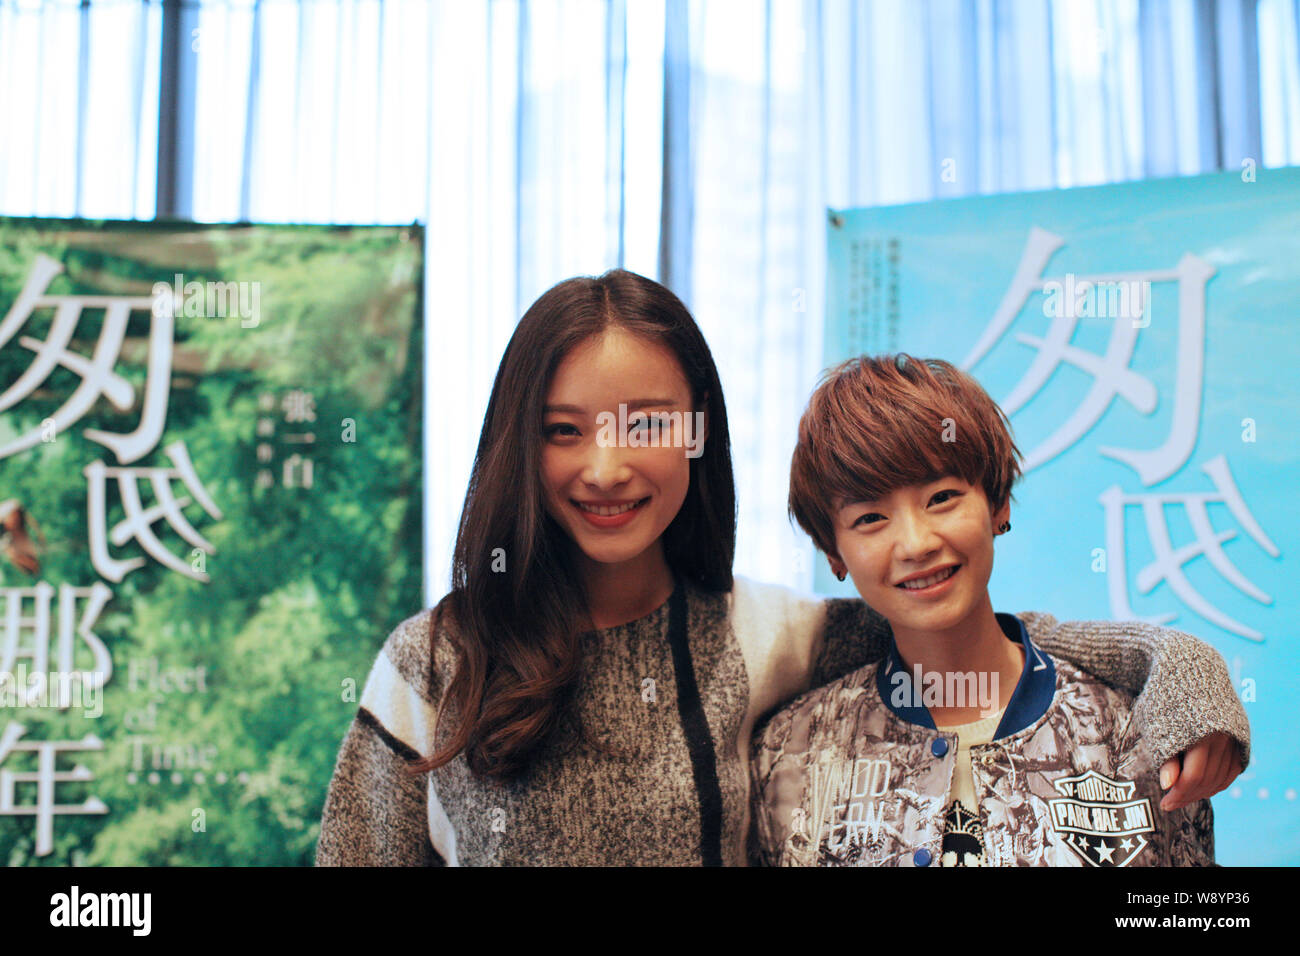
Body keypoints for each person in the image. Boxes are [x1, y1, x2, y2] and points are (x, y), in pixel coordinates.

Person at [315, 272, 1246, 866]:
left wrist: (1176, 664)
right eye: (565, 431)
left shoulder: (764, 640)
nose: (606, 468)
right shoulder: (435, 660)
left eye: (647, 424)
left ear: (697, 437)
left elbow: (956, 623)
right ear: (522, 442)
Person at [751, 354, 1228, 866]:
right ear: (833, 553)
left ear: (998, 504)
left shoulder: (1129, 729)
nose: (915, 543)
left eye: (941, 498)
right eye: (870, 517)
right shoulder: (787, 752)